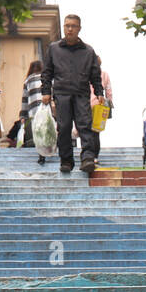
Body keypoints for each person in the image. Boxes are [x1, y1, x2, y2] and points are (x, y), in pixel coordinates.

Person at [40, 13, 105, 175]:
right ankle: (66, 160)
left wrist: (99, 92)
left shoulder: (88, 51)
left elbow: (95, 75)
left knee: (85, 125)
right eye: (67, 25)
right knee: (64, 127)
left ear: (79, 28)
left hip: (81, 93)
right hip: (61, 94)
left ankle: (88, 158)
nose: (70, 29)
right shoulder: (54, 48)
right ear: (64, 27)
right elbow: (47, 72)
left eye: (73, 26)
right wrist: (46, 91)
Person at [19, 59, 46, 163]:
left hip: (34, 111)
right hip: (46, 109)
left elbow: (24, 100)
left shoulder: (28, 80)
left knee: (38, 133)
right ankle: (47, 151)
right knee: (47, 131)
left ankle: (41, 155)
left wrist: (23, 116)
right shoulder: (48, 78)